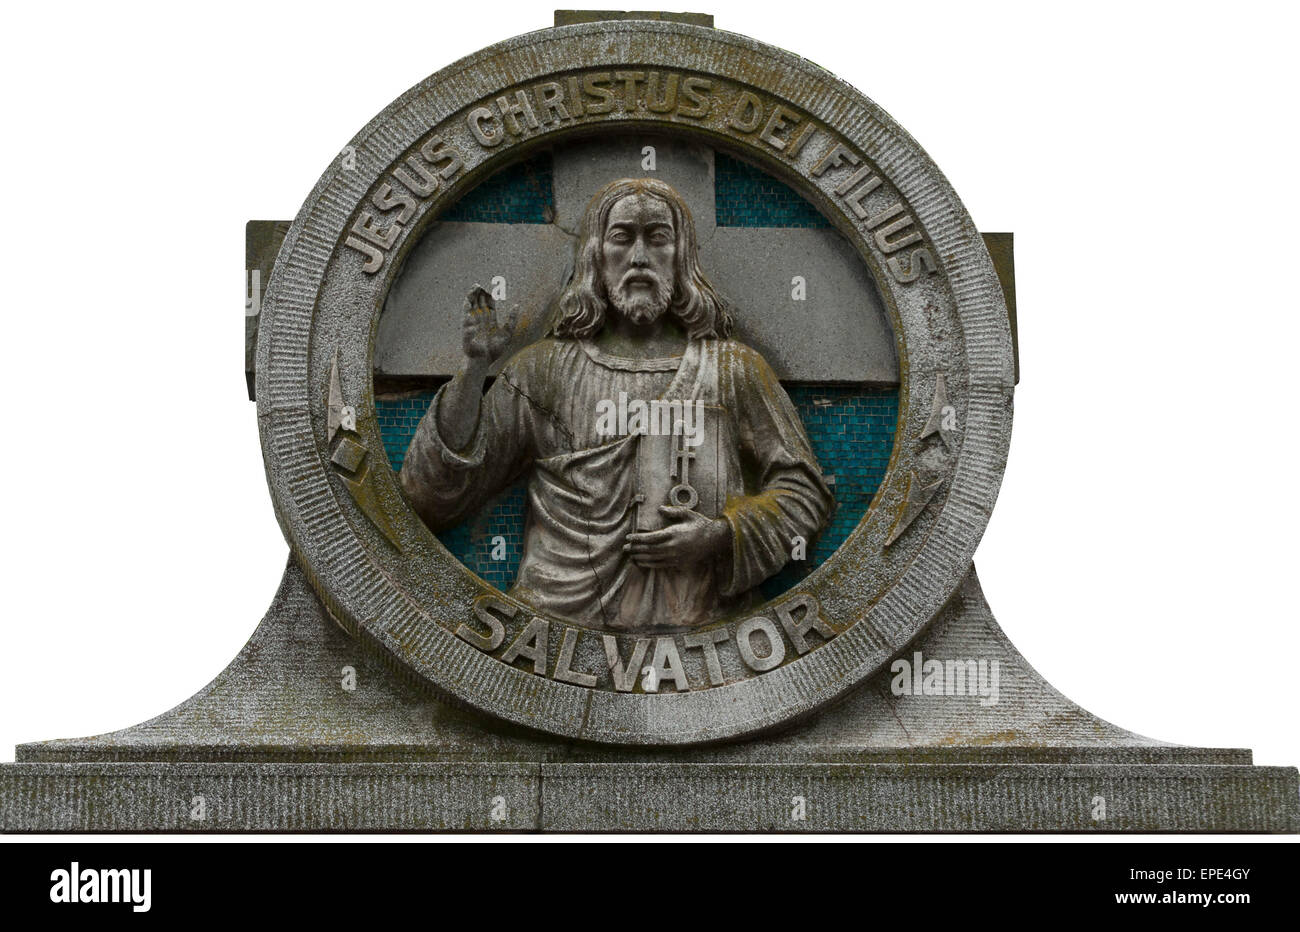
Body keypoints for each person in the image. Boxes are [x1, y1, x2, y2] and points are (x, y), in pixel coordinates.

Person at [401, 177, 831, 631]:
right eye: (622, 237)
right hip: (554, 633)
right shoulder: (543, 371)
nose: (640, 257)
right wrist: (473, 371)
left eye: (658, 238)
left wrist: (720, 536)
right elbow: (431, 495)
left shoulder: (734, 370)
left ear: (681, 257)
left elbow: (803, 494)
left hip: (700, 630)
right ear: (596, 255)